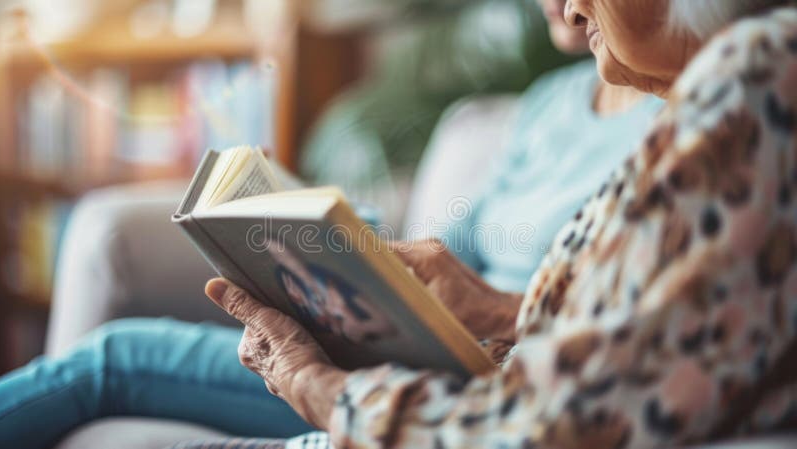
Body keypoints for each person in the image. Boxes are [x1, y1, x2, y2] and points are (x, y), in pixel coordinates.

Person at [0, 1, 671, 448]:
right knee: (115, 353)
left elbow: (643, 321)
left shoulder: (693, 126)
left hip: (484, 387)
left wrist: (497, 309)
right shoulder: (548, 103)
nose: (564, 4)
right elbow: (455, 247)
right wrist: (342, 245)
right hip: (413, 351)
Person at [198, 2, 797, 449]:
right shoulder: (697, 104)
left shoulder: (757, 76)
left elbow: (559, 419)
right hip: (447, 386)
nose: (568, 9)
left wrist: (314, 386)